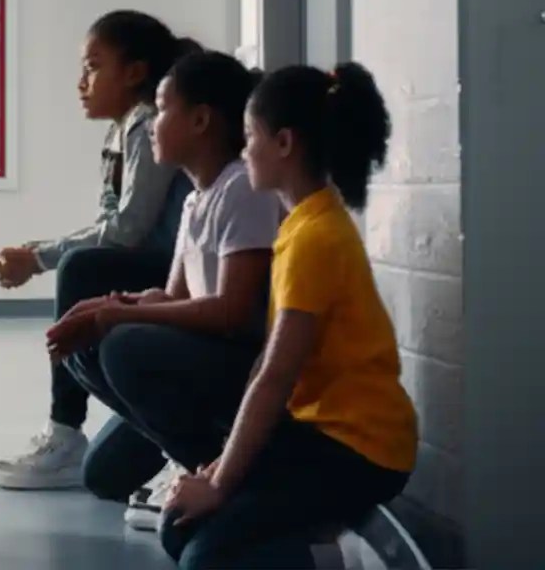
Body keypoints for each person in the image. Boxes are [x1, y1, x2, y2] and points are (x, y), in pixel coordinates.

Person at [155, 62, 416, 569]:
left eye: (251, 135)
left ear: (283, 144)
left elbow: (274, 377)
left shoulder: (317, 236)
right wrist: (220, 469)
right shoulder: (302, 224)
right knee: (180, 527)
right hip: (317, 432)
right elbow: (269, 364)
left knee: (203, 557)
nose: (244, 148)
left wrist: (222, 482)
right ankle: (311, 543)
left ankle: (320, 558)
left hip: (361, 452)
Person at [45, 51, 283, 531]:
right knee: (105, 475)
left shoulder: (241, 189)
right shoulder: (197, 197)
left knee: (125, 346)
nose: (153, 123)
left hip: (242, 366)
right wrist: (107, 306)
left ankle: (221, 475)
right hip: (204, 356)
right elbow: (173, 294)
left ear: (200, 120)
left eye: (162, 108)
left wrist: (121, 318)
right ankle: (186, 452)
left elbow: (233, 313)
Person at [0, 10, 197, 490]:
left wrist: (40, 257)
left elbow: (126, 231)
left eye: (93, 66)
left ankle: (65, 430)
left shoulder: (146, 123)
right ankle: (153, 430)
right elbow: (115, 223)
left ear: (134, 72)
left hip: (178, 276)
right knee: (105, 478)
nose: (81, 81)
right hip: (160, 269)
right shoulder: (122, 128)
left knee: (83, 268)